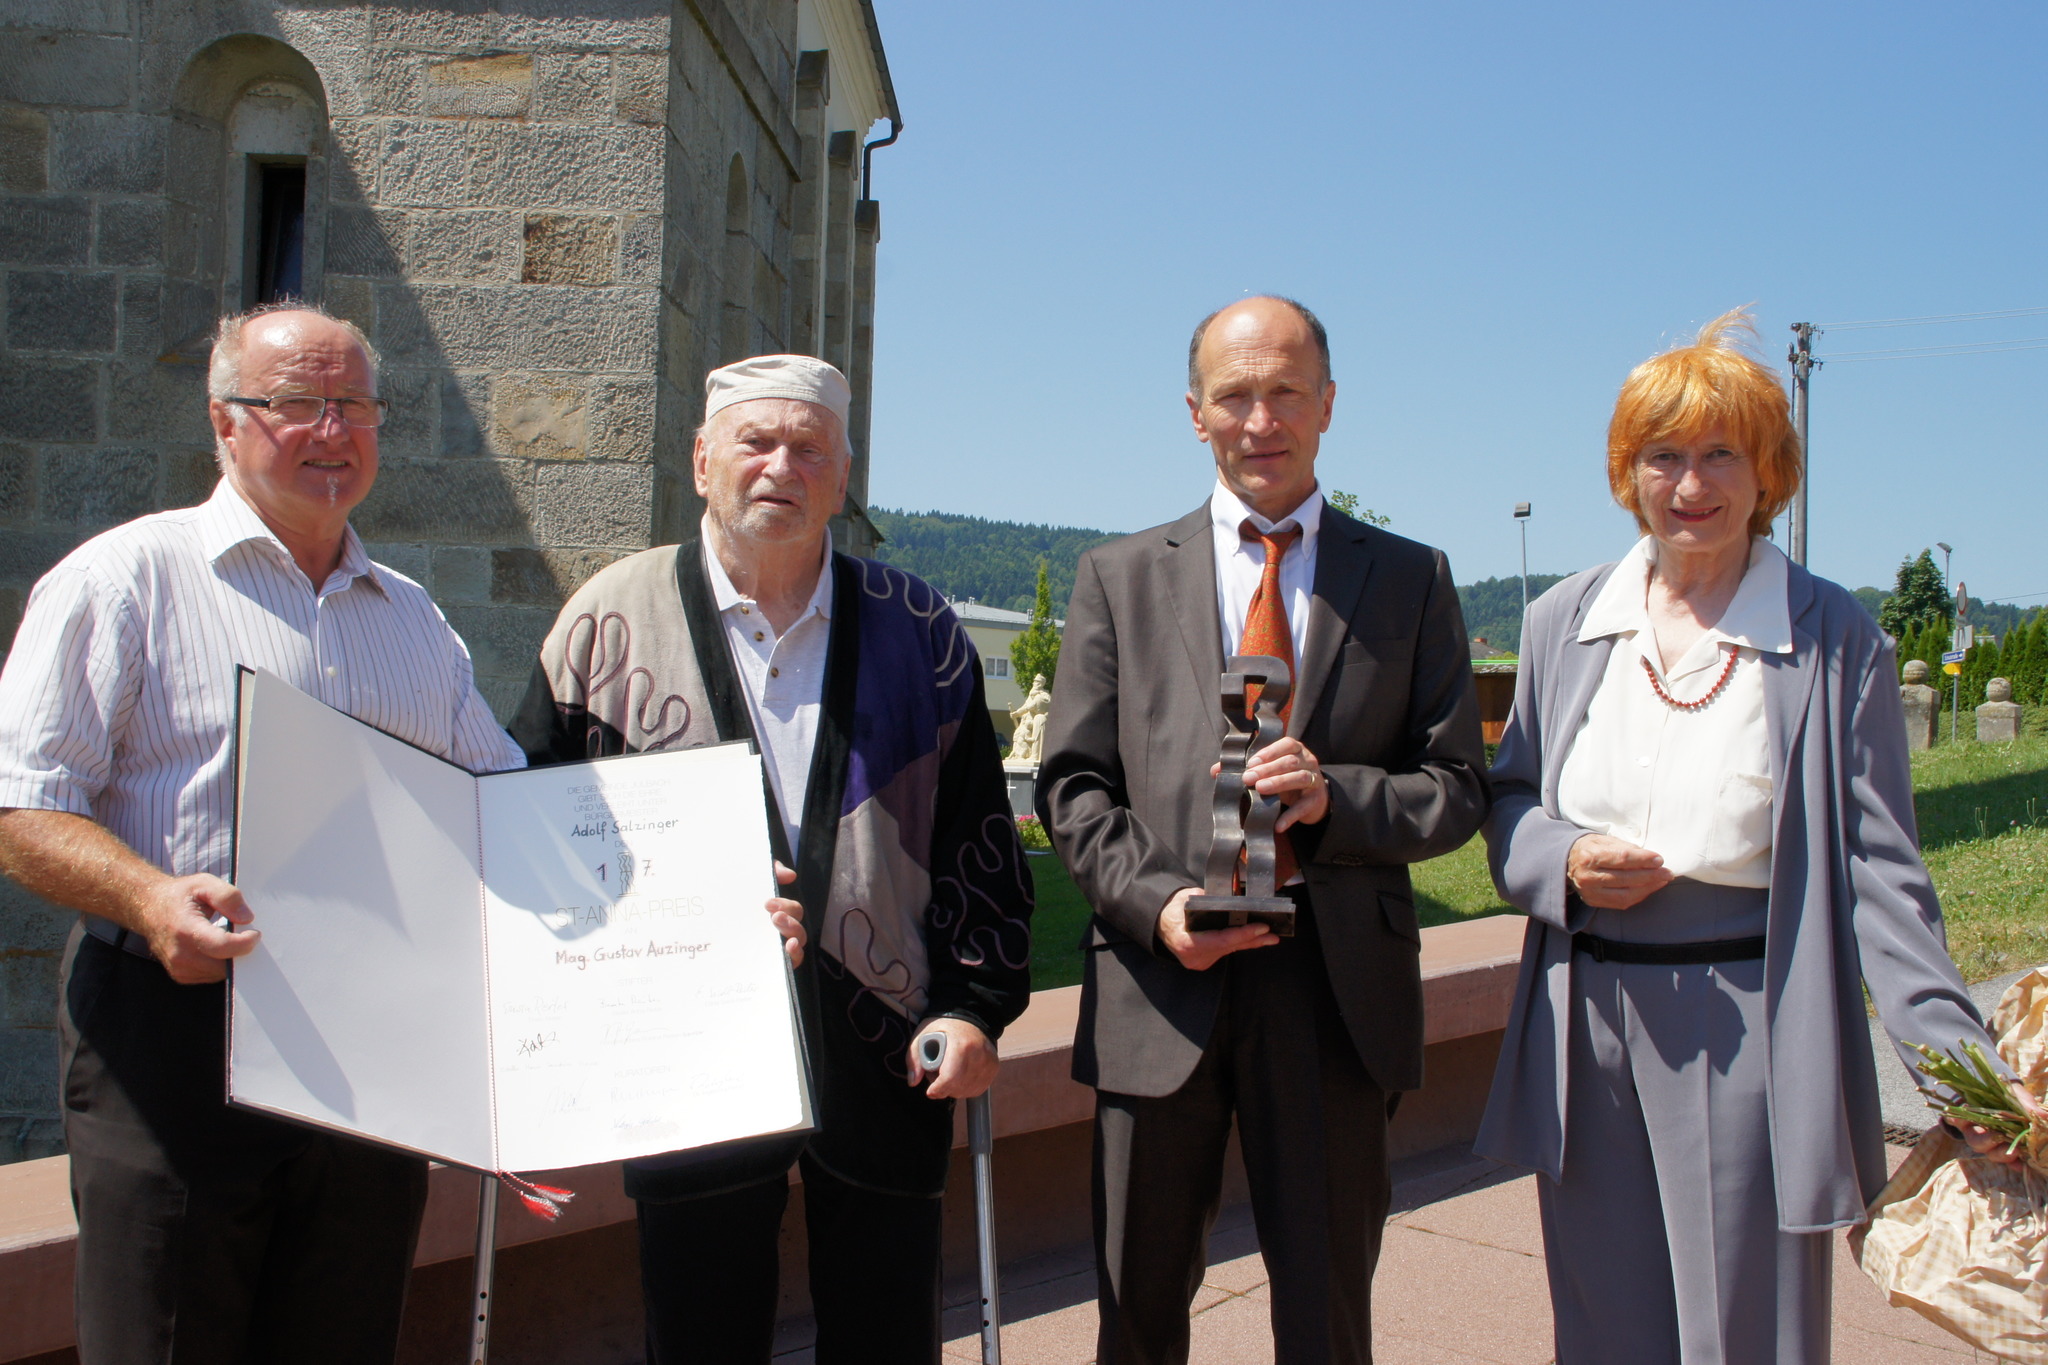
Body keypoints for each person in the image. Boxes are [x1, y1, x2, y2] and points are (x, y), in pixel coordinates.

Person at [1474, 308, 2045, 1364]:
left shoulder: (1833, 636)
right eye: (1663, 457)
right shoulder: (1562, 620)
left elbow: (1881, 874)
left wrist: (1957, 1073)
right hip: (1583, 1020)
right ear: (1625, 471)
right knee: (1599, 1328)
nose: (1689, 485)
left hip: (1746, 1020)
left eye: (1719, 455)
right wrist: (1559, 859)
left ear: (1767, 470)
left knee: (1742, 1335)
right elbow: (1505, 807)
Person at [0, 305, 526, 1362]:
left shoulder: (413, 617)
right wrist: (150, 898)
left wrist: (698, 896)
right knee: (168, 1340)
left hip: (372, 1046)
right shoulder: (125, 580)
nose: (330, 431)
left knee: (341, 1337)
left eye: (354, 407)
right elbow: (22, 807)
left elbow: (506, 813)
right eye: (295, 403)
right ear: (225, 423)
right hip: (174, 1026)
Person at [510, 354, 1033, 1365]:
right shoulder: (604, 624)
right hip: (682, 1061)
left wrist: (973, 1007)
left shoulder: (920, 632)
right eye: (754, 442)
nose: (778, 468)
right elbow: (536, 844)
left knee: (884, 1336)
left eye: (807, 448)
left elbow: (978, 840)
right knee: (700, 1335)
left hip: (889, 1052)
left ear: (841, 477)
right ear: (703, 459)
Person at [1037, 296, 1487, 1364]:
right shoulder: (1116, 578)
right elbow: (1071, 789)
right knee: (1136, 1315)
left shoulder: (1410, 579)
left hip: (1330, 1000)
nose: (1260, 419)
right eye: (1233, 396)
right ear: (1193, 413)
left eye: (1284, 392)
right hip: (1163, 987)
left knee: (1324, 1317)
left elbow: (1457, 786)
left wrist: (1338, 797)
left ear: (1326, 404)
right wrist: (1161, 907)